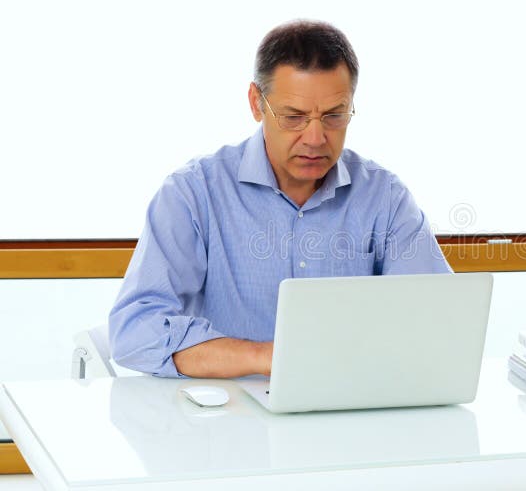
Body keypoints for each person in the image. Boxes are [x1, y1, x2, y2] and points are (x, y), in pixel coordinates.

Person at [109, 20, 451, 379]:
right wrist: (268, 357)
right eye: (294, 117)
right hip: (225, 420)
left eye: (334, 116)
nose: (316, 137)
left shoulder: (384, 197)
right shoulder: (193, 194)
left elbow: (439, 319)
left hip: (352, 411)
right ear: (257, 104)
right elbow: (134, 331)